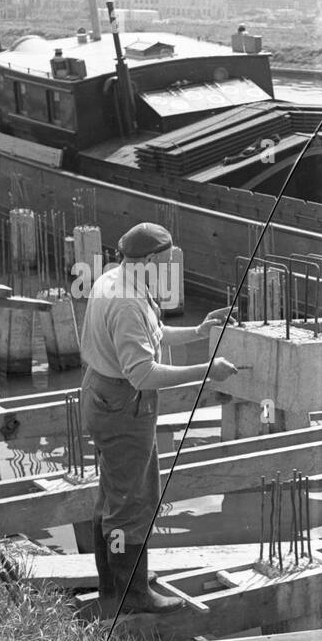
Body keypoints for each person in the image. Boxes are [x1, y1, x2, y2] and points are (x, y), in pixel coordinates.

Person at [79, 222, 238, 615]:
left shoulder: (117, 279)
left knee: (115, 496)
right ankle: (131, 597)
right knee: (131, 502)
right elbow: (143, 374)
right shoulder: (128, 302)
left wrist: (200, 332)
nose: (170, 267)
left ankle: (114, 587)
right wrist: (207, 370)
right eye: (167, 261)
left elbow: (157, 332)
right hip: (123, 406)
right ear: (150, 260)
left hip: (103, 395)